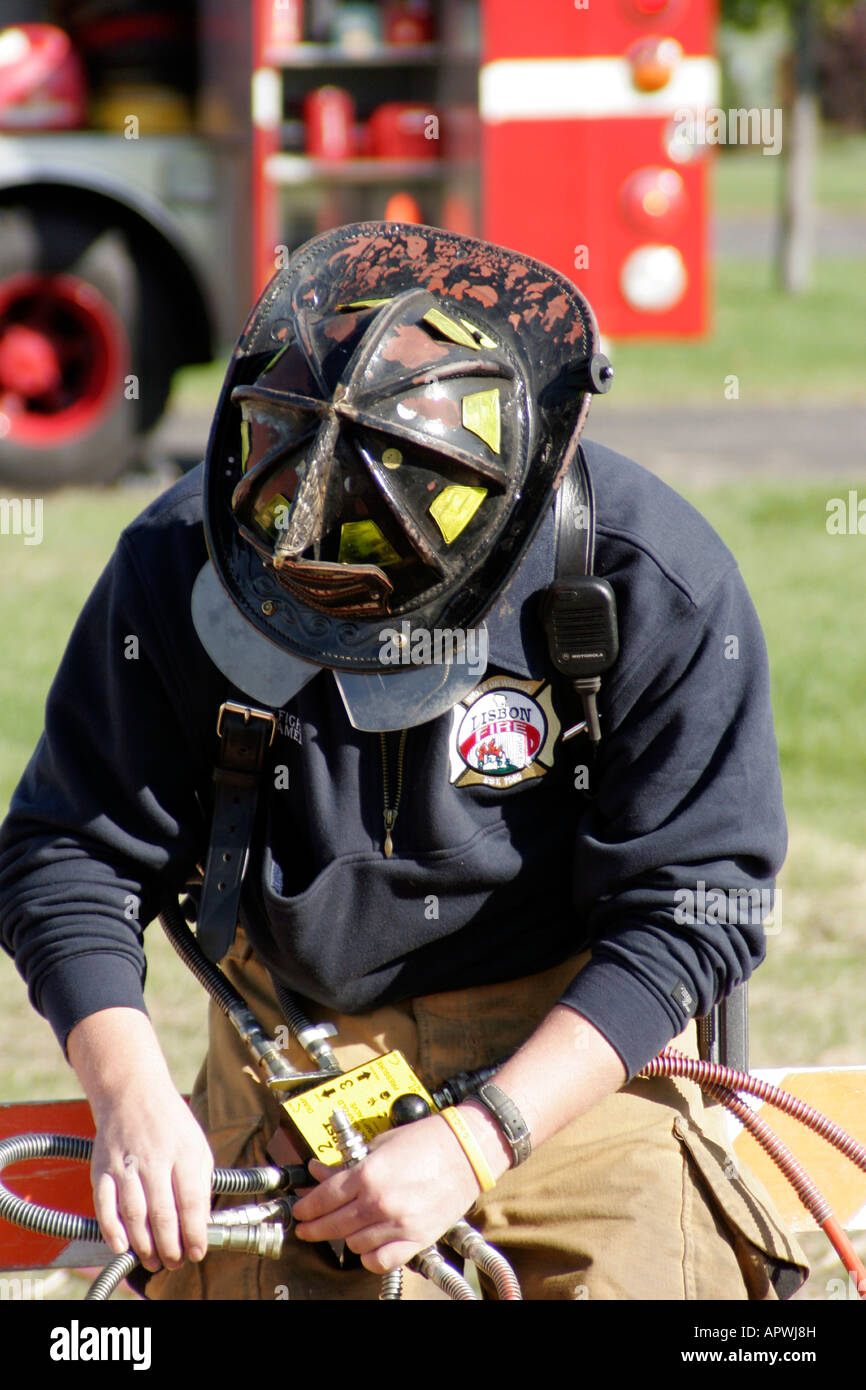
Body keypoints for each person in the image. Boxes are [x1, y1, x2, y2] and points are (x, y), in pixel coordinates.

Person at [0, 222, 807, 1300]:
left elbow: (693, 907)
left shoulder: (649, 581)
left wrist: (482, 1136)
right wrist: (133, 1096)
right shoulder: (177, 563)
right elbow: (69, 849)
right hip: (288, 1056)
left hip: (572, 1069)